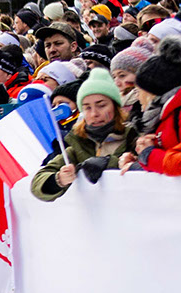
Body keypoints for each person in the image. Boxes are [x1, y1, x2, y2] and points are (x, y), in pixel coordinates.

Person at [30, 70, 131, 200]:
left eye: (101, 105)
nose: (94, 113)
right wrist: (59, 179)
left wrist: (110, 163)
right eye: (87, 107)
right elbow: (37, 182)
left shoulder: (133, 137)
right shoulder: (78, 145)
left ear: (115, 107)